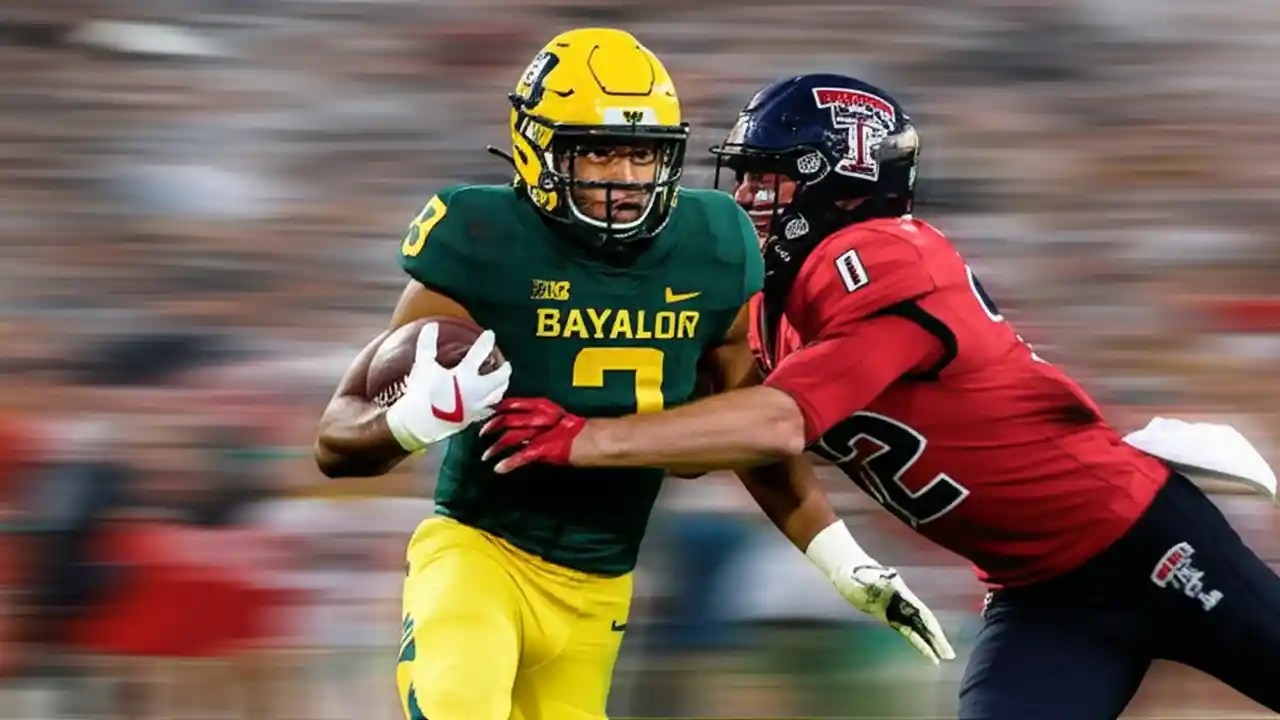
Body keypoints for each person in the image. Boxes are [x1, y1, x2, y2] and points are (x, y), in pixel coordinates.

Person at [481, 73, 1280, 719]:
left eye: (771, 178)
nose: (749, 199)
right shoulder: (771, 305)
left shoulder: (883, 258)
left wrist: (585, 436)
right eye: (747, 177)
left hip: (1141, 541)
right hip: (1042, 596)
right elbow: (716, 440)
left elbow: (777, 423)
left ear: (844, 183)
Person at [314, 42, 952, 720]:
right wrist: (411, 422)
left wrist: (842, 563)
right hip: (480, 555)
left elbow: (752, 431)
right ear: (539, 149)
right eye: (598, 152)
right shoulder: (480, 236)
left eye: (643, 153)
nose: (625, 177)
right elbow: (335, 440)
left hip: (602, 586)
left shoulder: (715, 243)